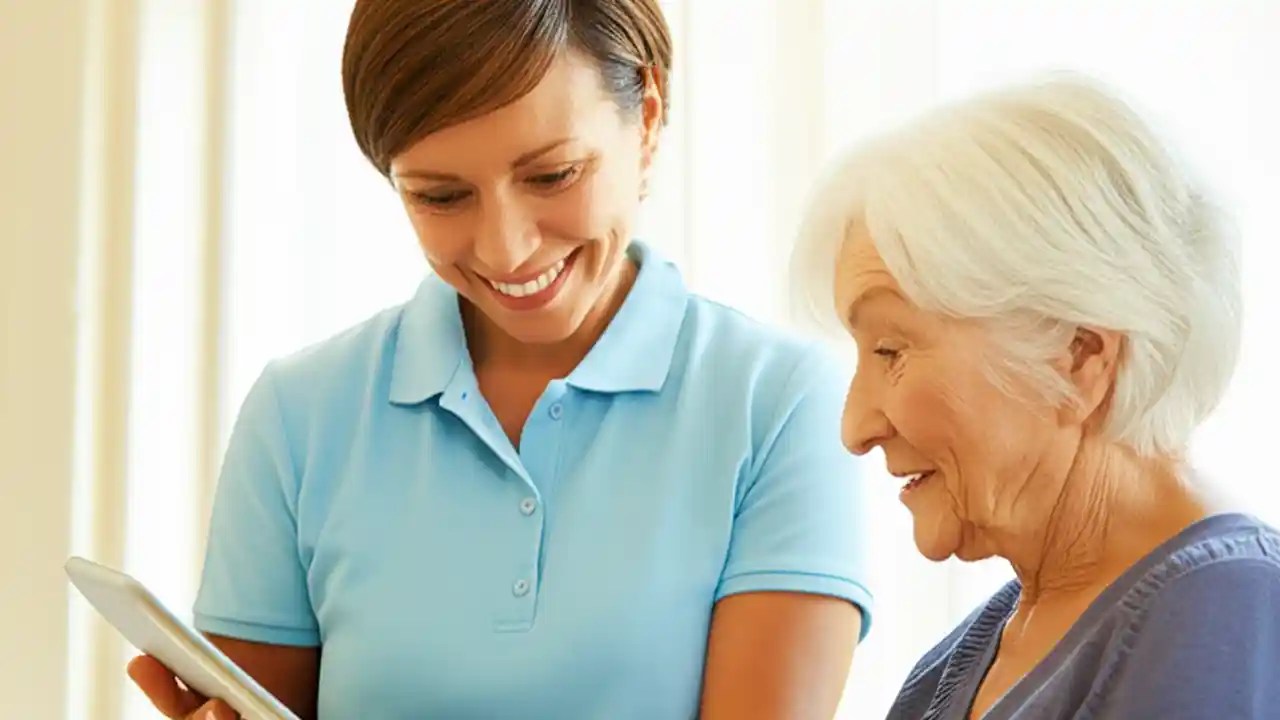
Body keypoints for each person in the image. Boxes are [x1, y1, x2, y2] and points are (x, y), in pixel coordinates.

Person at [128, 1, 874, 718]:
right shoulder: (300, 416)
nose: (505, 249)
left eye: (552, 176)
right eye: (441, 197)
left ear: (646, 116)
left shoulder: (776, 404)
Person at [792, 75, 1280, 719]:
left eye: (891, 351)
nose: (856, 426)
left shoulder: (1226, 613)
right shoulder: (966, 656)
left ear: (1079, 355)